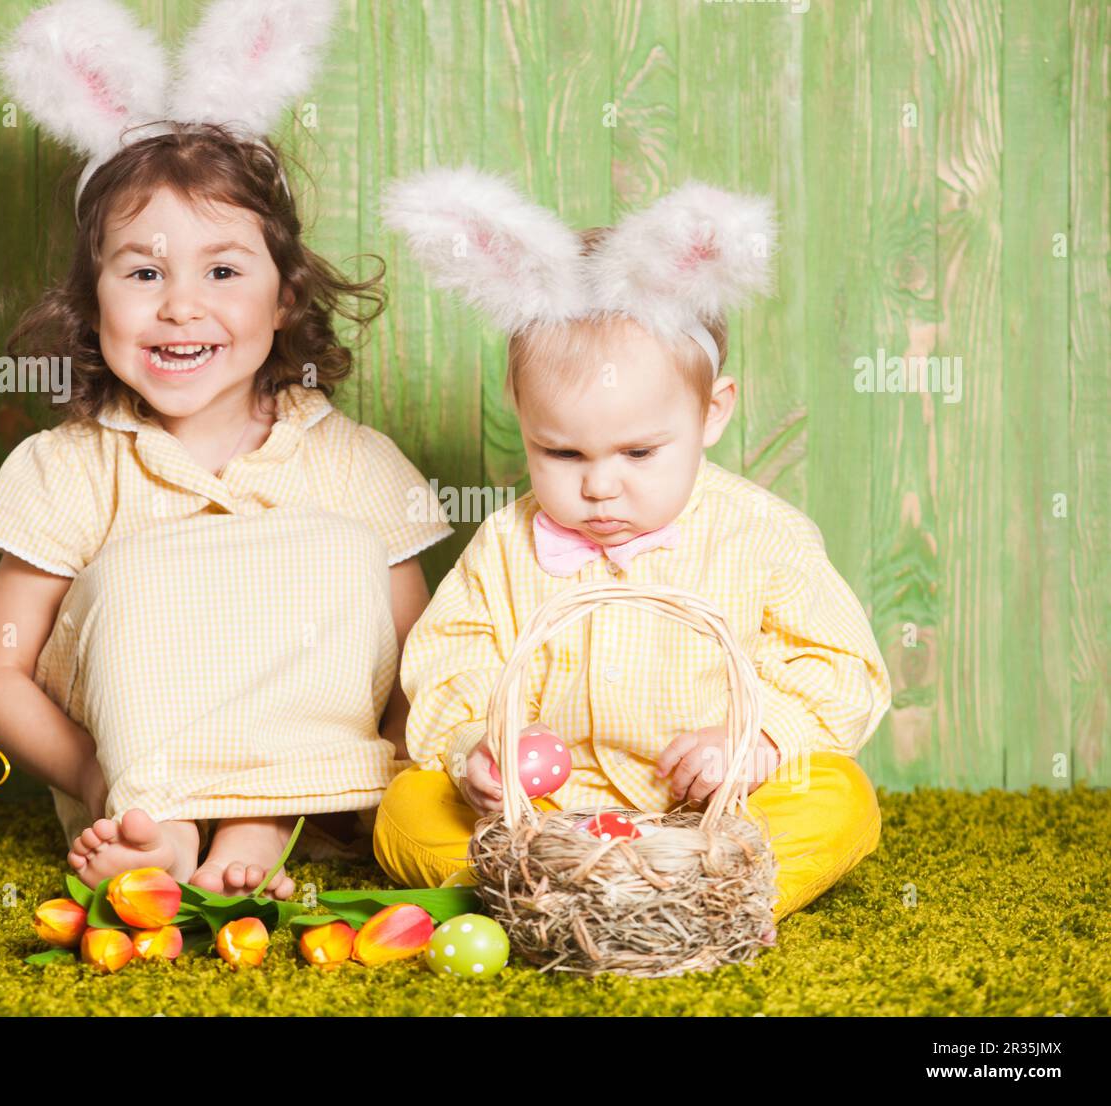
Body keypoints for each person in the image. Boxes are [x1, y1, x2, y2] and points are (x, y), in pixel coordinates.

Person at [0, 0, 451, 898]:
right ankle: (172, 827)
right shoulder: (65, 468)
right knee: (145, 567)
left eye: (223, 270)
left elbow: (419, 664)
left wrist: (397, 795)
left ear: (284, 298)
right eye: (143, 272)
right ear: (92, 298)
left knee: (337, 552)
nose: (181, 305)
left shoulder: (358, 464)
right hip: (134, 789)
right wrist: (103, 785)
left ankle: (267, 819)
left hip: (321, 786)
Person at [373, 167, 891, 925]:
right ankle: (556, 896)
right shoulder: (506, 542)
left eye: (639, 454)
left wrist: (755, 742)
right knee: (406, 807)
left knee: (842, 800)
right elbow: (451, 655)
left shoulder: (764, 535)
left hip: (714, 819)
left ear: (713, 413)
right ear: (521, 416)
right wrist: (481, 744)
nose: (600, 488)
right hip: (545, 821)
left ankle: (707, 898)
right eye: (563, 455)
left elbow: (843, 665)